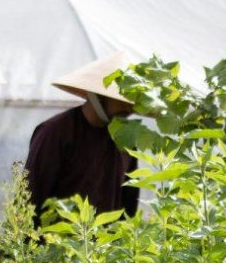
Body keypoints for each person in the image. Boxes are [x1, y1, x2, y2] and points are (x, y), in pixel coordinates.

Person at [24, 49, 140, 221]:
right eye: (121, 99)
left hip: (106, 238)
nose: (129, 108)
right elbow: (30, 199)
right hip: (57, 237)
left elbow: (128, 209)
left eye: (133, 101)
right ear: (99, 96)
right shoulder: (56, 133)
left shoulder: (125, 140)